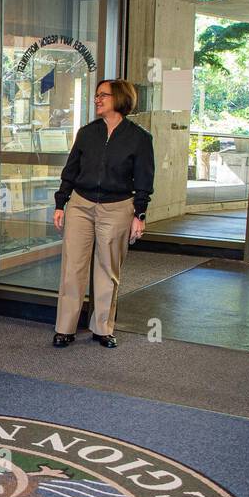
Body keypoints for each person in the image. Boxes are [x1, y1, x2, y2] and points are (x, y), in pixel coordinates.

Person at [50, 79, 154, 349]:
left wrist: (138, 214)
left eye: (103, 95)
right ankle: (65, 328)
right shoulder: (87, 133)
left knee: (108, 269)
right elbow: (70, 170)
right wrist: (61, 203)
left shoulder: (140, 138)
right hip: (81, 205)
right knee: (72, 268)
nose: (97, 99)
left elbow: (144, 180)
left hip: (118, 207)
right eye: (96, 95)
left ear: (119, 98)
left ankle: (103, 328)